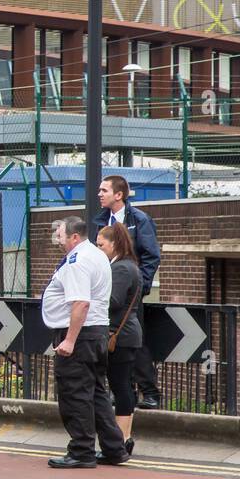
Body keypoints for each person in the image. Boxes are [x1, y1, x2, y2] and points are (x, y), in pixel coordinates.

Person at [42, 217, 129, 468]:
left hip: (80, 336)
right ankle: (114, 448)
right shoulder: (96, 254)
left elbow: (80, 302)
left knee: (75, 393)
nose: (58, 240)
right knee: (96, 393)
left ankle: (81, 451)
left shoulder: (78, 261)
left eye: (61, 235)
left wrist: (69, 340)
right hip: (96, 333)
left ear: (74, 237)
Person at [93, 175, 161, 409]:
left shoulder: (139, 219)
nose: (99, 194)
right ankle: (123, 389)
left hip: (130, 292)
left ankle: (149, 391)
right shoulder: (101, 220)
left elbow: (151, 255)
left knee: (134, 340)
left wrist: (139, 288)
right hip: (109, 291)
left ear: (119, 195)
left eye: (104, 190)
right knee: (114, 340)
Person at [96, 223, 143, 456]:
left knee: (120, 386)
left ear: (114, 244)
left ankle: (122, 438)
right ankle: (125, 436)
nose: (98, 249)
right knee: (122, 385)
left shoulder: (121, 269)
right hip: (126, 335)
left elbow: (113, 301)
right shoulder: (128, 266)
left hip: (119, 336)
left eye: (101, 245)